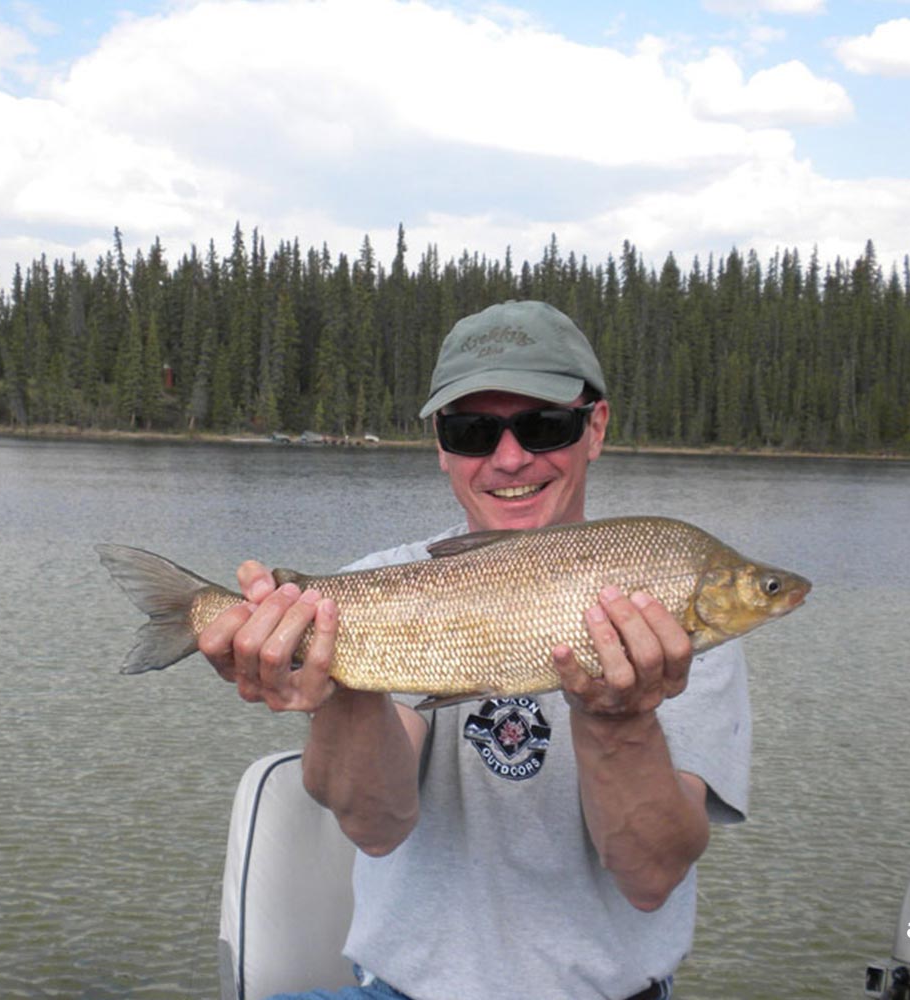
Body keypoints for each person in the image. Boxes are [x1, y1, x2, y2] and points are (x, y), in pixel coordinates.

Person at [198, 300, 751, 1000]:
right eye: (473, 431)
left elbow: (650, 878)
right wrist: (338, 692)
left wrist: (623, 721)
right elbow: (376, 825)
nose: (509, 458)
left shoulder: (670, 608)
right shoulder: (373, 588)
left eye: (544, 425)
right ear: (440, 444)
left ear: (596, 427)